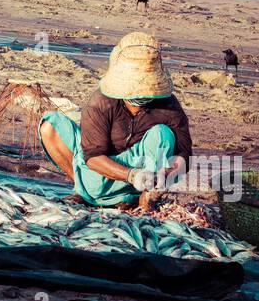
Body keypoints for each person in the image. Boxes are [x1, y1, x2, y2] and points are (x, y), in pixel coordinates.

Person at [38, 32, 192, 209]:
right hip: (102, 171)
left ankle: (143, 196)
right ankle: (84, 191)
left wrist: (168, 172)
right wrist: (132, 175)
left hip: (144, 171)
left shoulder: (169, 105)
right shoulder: (101, 102)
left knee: (163, 134)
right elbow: (93, 157)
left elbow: (184, 154)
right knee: (50, 125)